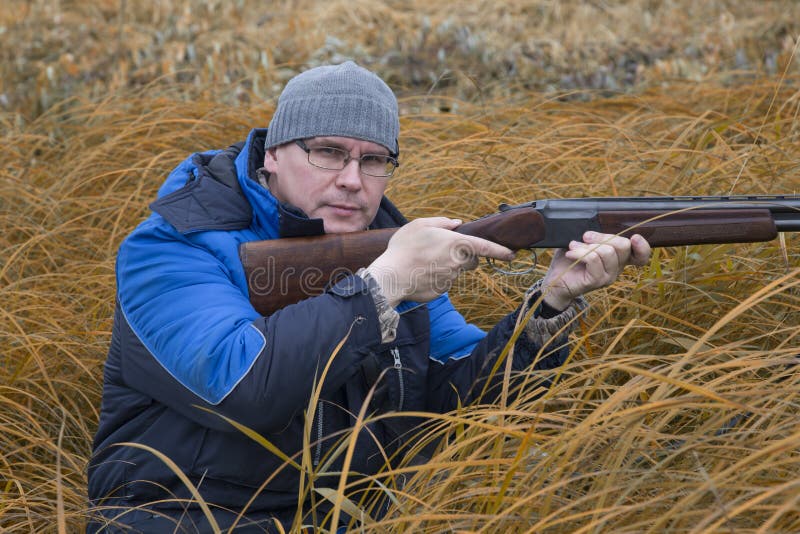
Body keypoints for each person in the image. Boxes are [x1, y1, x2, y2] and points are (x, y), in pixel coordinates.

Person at [87, 61, 651, 532]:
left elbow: (455, 401)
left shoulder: (387, 248)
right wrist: (383, 287)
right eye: (327, 152)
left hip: (349, 517)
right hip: (185, 518)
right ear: (272, 156)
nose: (353, 180)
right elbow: (245, 387)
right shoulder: (170, 250)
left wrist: (548, 305)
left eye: (374, 159)